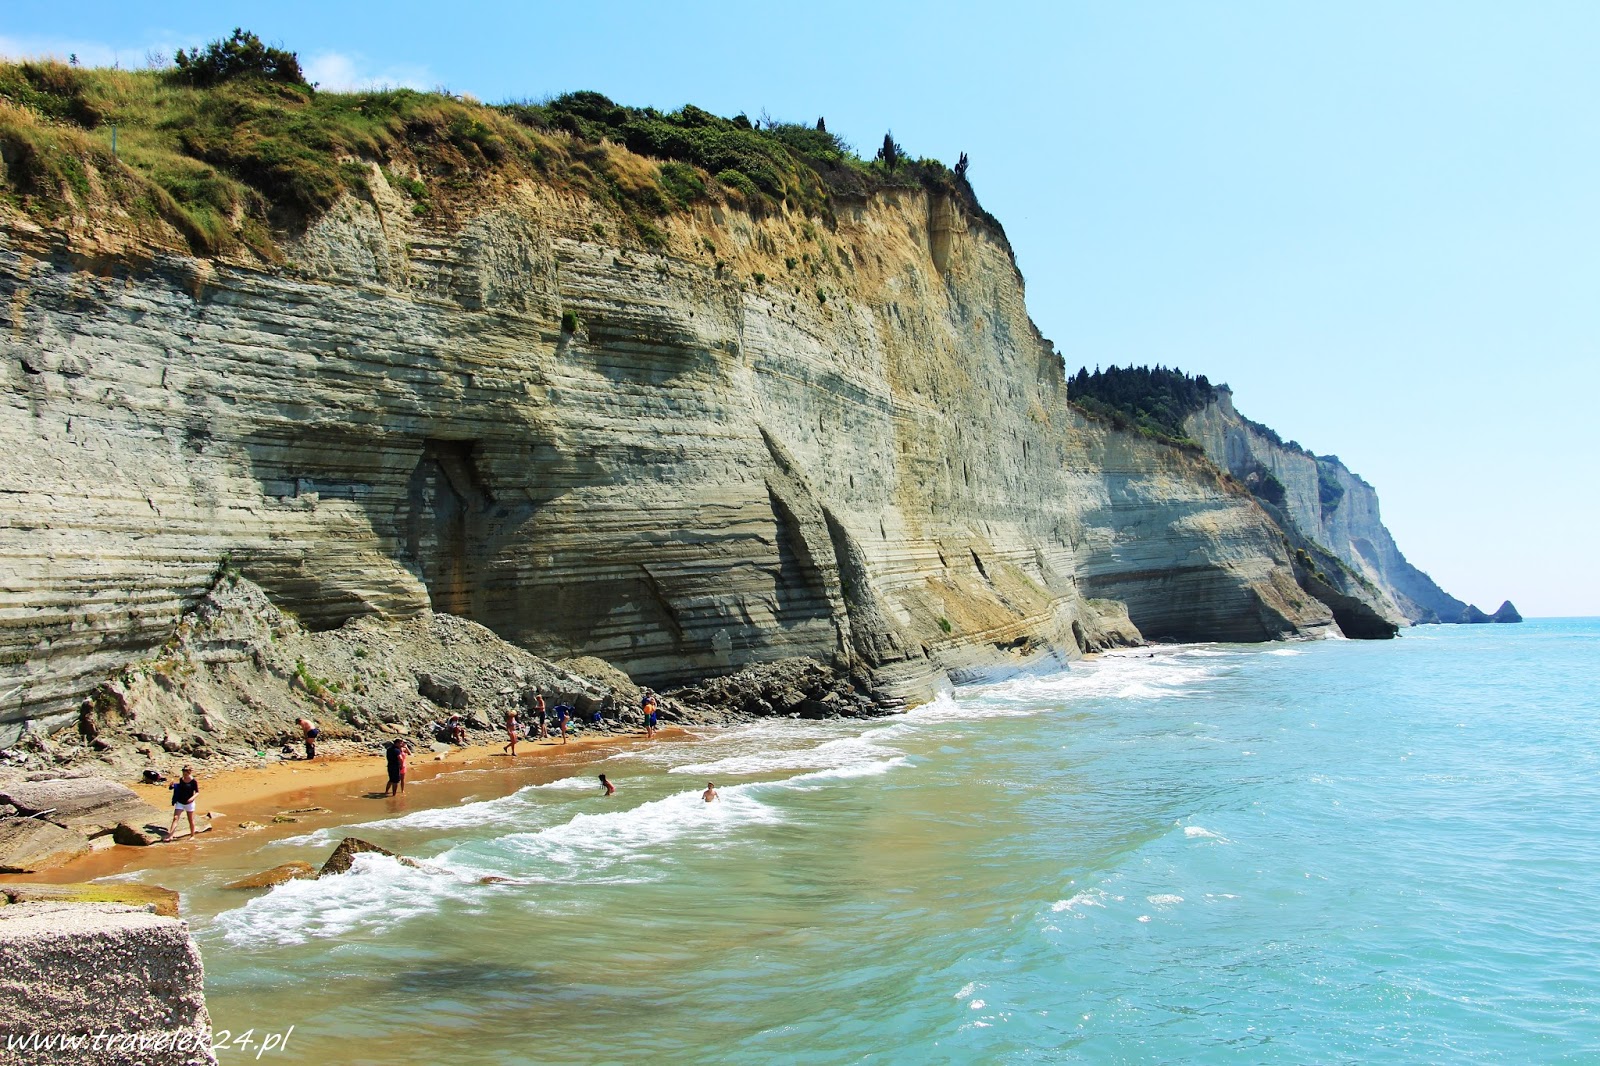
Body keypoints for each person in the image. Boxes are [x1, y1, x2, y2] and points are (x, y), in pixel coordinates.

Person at [166, 766, 200, 840]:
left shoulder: (193, 781)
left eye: (185, 773)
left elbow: (197, 792)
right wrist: (172, 786)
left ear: (189, 772)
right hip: (180, 802)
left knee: (190, 820)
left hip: (189, 803)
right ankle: (170, 836)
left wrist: (192, 798)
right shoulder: (181, 779)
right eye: (183, 773)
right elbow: (179, 788)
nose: (183, 775)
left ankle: (192, 835)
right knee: (175, 818)